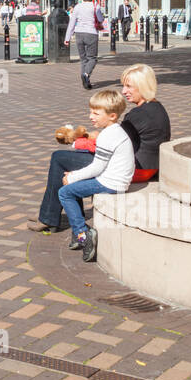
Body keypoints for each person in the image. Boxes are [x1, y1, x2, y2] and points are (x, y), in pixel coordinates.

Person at [30, 64, 171, 232]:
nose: (124, 91)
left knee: (59, 158)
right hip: (149, 167)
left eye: (129, 86)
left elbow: (107, 147)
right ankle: (55, 213)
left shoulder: (138, 115)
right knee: (74, 157)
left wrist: (78, 139)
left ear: (143, 87)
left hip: (137, 170)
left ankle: (49, 217)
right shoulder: (157, 107)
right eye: (123, 86)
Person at [56, 88, 136, 261]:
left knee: (64, 193)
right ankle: (78, 234)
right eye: (91, 111)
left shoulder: (108, 136)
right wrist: (75, 176)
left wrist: (72, 177)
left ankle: (83, 234)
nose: (91, 116)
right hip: (113, 178)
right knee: (72, 187)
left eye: (96, 113)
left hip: (111, 182)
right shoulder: (114, 131)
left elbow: (97, 167)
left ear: (112, 116)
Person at [64, 0, 105, 89]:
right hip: (91, 33)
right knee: (92, 58)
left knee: (83, 59)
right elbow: (100, 19)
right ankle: (86, 74)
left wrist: (67, 38)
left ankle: (86, 82)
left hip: (79, 33)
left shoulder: (77, 7)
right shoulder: (96, 6)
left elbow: (72, 23)